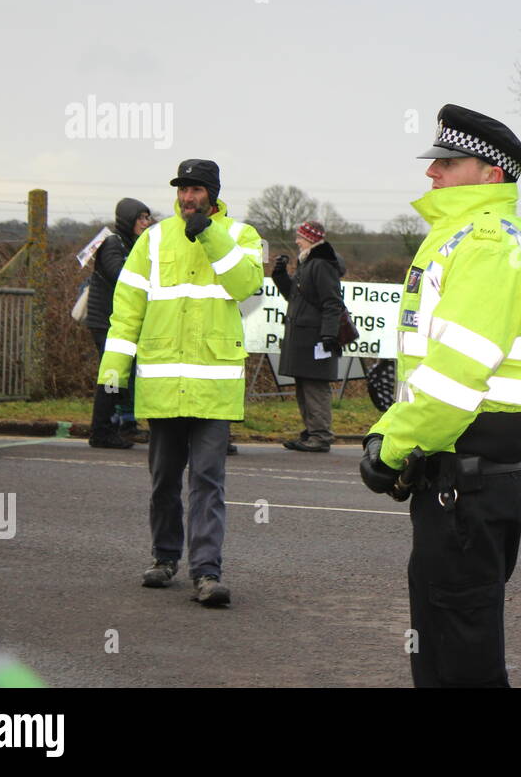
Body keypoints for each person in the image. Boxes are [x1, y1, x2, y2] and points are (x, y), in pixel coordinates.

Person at [357, 104, 521, 687]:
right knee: (448, 648)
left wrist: (389, 446)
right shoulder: (471, 239)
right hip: (466, 471)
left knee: (462, 658)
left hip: (465, 476)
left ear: (490, 174)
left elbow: (454, 377)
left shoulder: (487, 246)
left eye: (447, 161)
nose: (432, 172)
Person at [98, 159, 263, 606]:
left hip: (214, 385)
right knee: (164, 478)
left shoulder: (242, 236)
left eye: (196, 190)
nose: (187, 197)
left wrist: (208, 234)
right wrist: (114, 368)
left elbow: (246, 285)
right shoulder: (151, 239)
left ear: (212, 194)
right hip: (163, 382)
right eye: (182, 189)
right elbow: (128, 305)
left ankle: (207, 573)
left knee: (208, 479)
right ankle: (164, 557)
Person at [272, 220, 346, 452]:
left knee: (315, 388)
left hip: (315, 337)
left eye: (301, 237)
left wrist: (328, 336)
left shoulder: (321, 264)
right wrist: (280, 275)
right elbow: (295, 296)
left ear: (311, 239)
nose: (297, 241)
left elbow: (332, 302)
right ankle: (311, 431)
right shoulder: (309, 263)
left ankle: (321, 435)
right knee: (304, 386)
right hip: (303, 337)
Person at [86, 198, 151, 448]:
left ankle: (125, 425)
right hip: (106, 321)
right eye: (141, 218)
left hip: (121, 322)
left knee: (123, 376)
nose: (146, 223)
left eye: (147, 218)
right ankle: (101, 431)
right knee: (112, 377)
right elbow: (121, 276)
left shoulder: (131, 243)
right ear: (127, 219)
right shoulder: (112, 243)